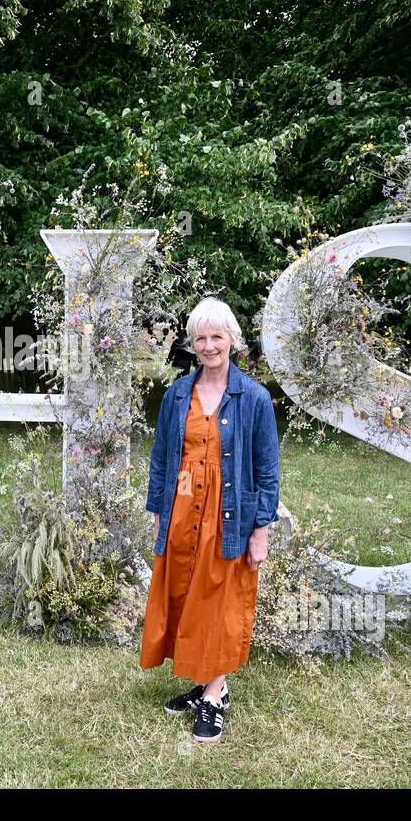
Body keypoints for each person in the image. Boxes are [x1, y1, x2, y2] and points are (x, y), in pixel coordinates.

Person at [142, 296, 281, 744]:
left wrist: (260, 530)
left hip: (229, 516)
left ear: (232, 340)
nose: (208, 345)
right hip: (183, 509)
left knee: (221, 601)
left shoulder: (255, 399)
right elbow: (164, 458)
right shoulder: (177, 394)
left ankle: (216, 695)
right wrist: (161, 515)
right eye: (200, 337)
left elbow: (267, 471)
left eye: (216, 336)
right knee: (187, 596)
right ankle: (205, 682)